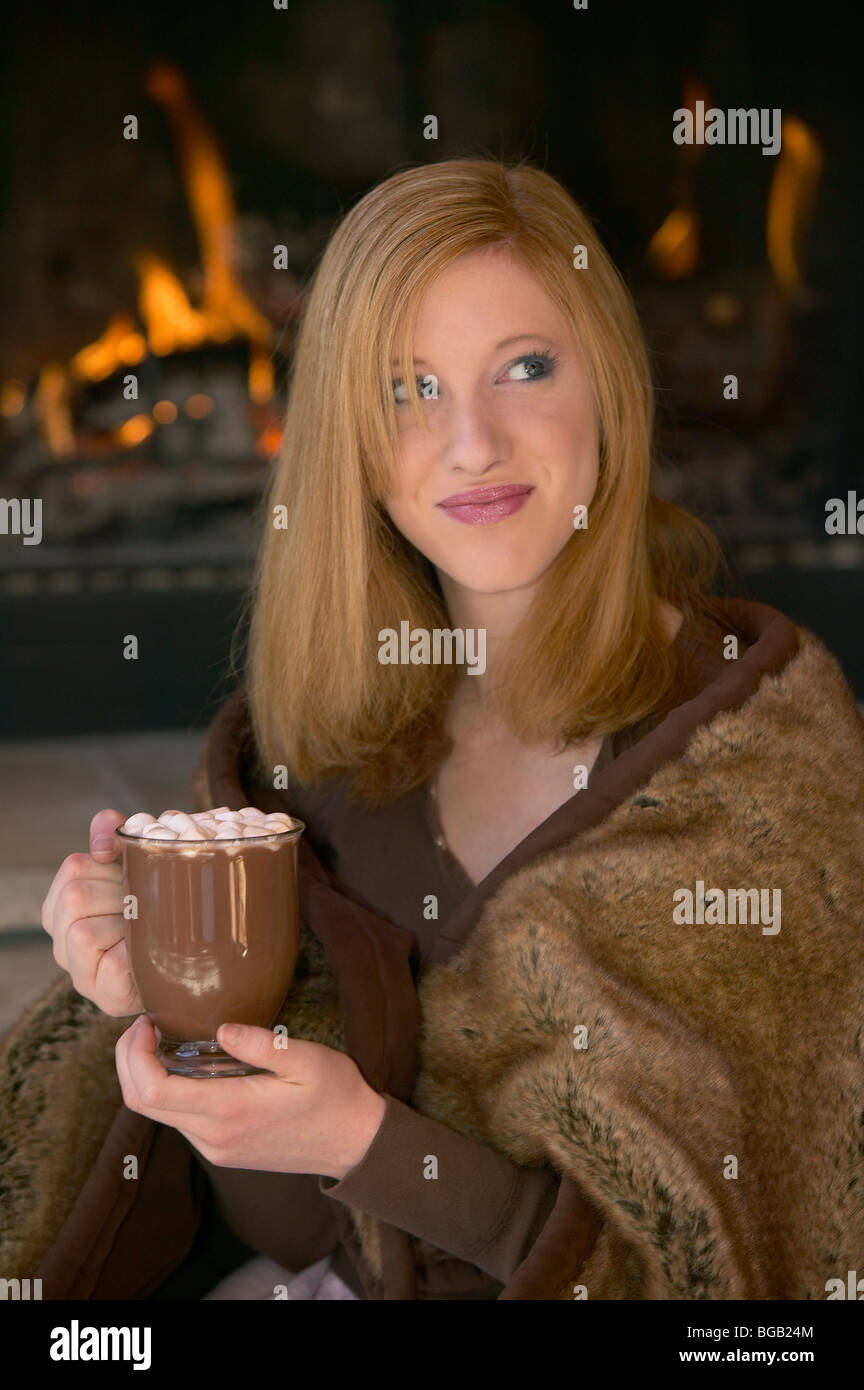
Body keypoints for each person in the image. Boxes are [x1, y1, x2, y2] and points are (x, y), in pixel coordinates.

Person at [7, 157, 864, 1300]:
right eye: (410, 388)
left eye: (525, 367)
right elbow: (296, 1235)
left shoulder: (759, 754)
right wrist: (179, 1006)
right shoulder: (312, 761)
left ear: (605, 382)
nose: (473, 443)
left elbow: (743, 1275)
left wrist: (374, 1144)